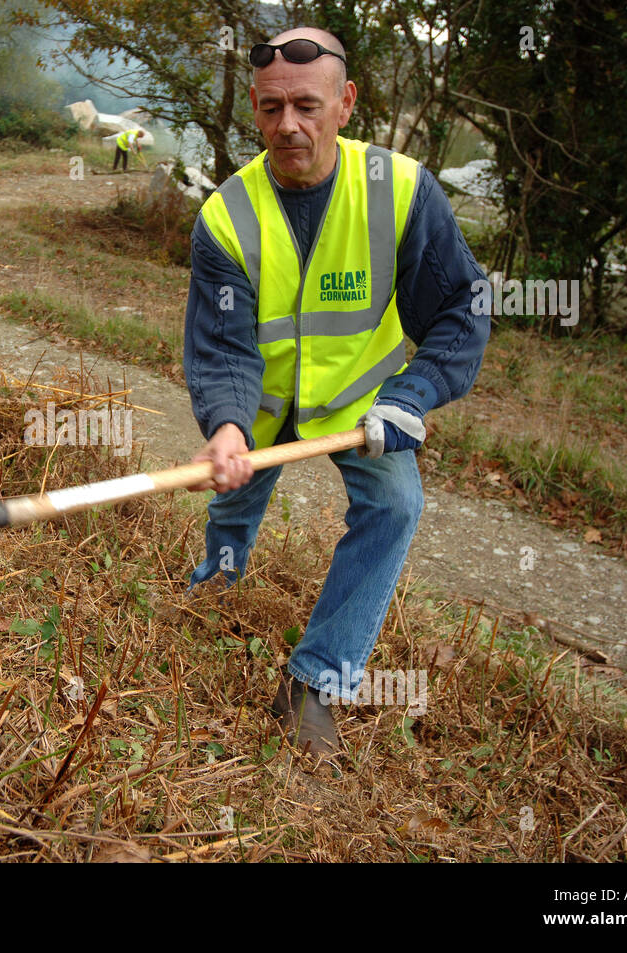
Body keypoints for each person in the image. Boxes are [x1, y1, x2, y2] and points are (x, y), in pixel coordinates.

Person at [183, 27, 490, 755]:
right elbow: (223, 345)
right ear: (254, 113)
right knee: (233, 497)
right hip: (259, 404)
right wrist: (227, 425)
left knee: (396, 504)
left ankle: (315, 680)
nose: (288, 125)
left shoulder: (402, 191)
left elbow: (461, 306)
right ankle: (218, 583)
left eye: (307, 106)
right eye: (269, 108)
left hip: (361, 406)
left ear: (346, 102)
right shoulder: (225, 216)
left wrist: (411, 396)